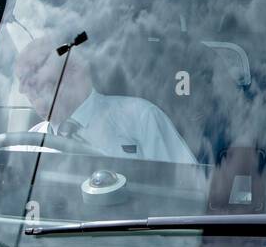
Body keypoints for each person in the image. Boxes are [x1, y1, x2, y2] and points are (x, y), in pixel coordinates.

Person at [13, 35, 197, 164]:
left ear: (72, 66)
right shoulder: (29, 144)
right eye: (20, 80)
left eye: (32, 71)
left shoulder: (139, 117)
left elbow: (190, 191)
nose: (23, 88)